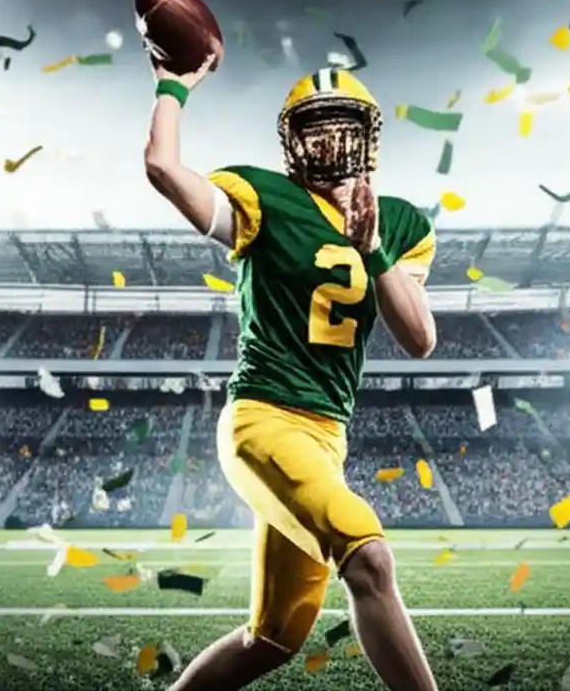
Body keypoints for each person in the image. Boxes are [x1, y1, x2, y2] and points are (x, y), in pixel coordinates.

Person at [144, 54, 439, 691]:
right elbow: (164, 168)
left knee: (273, 637)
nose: (330, 142)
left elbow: (420, 339)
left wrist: (374, 248)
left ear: (367, 139)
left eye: (342, 127)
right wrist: (173, 85)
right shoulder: (266, 199)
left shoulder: (401, 223)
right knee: (370, 560)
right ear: (293, 143)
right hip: (264, 420)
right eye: (315, 128)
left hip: (328, 439)